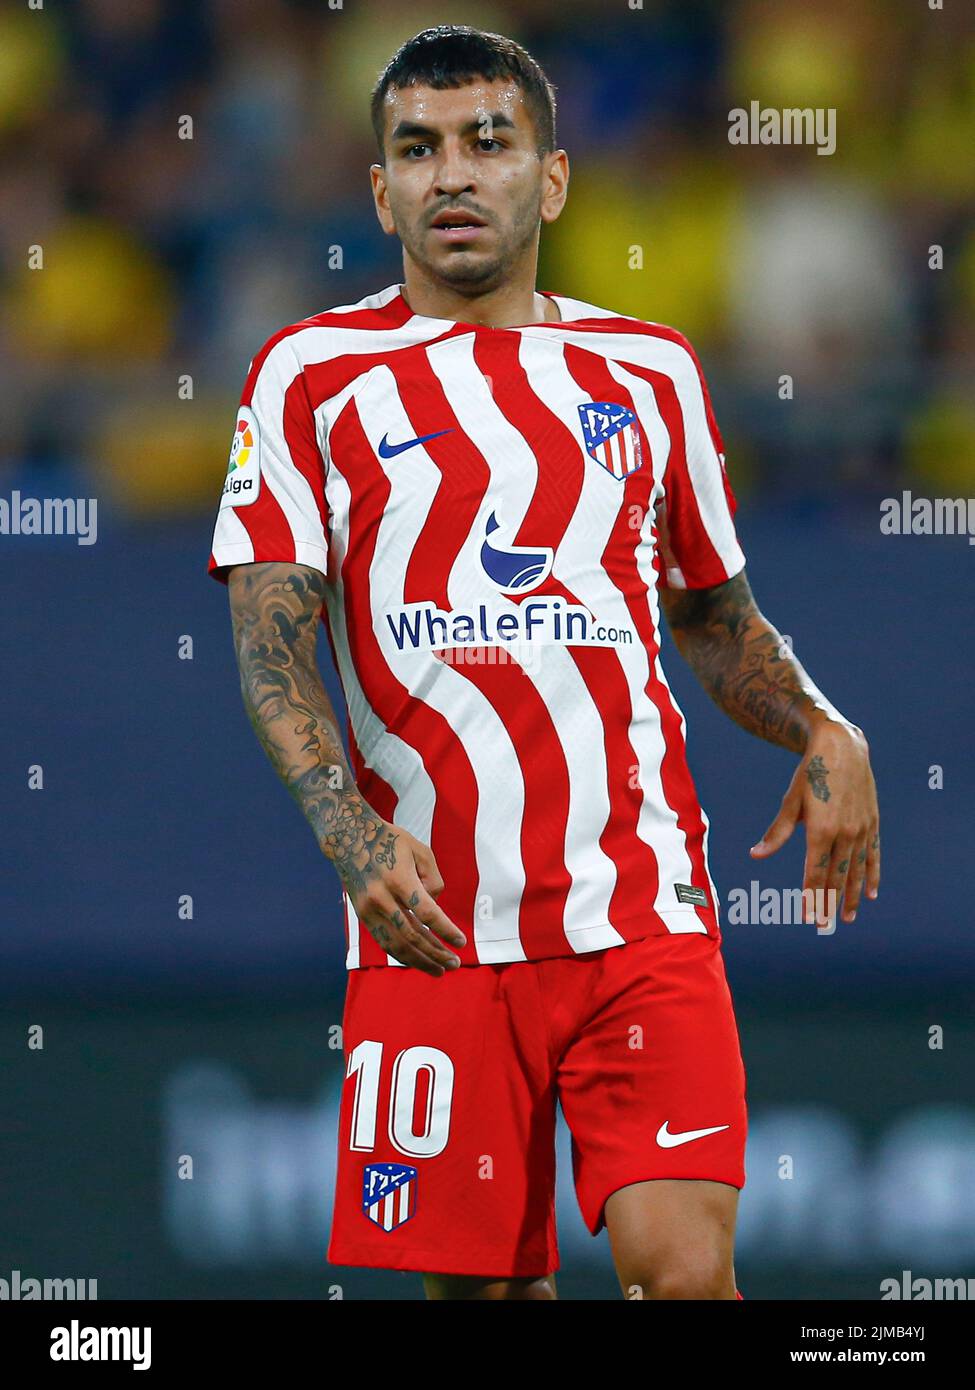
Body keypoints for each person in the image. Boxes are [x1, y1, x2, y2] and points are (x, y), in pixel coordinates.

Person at [207, 25, 880, 1300]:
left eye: (487, 143)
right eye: (419, 149)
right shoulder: (307, 378)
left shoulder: (650, 371)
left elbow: (713, 615)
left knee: (682, 1274)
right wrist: (347, 830)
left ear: (551, 179)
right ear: (380, 191)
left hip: (638, 908)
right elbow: (269, 640)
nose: (453, 175)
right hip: (433, 932)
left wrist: (821, 725)